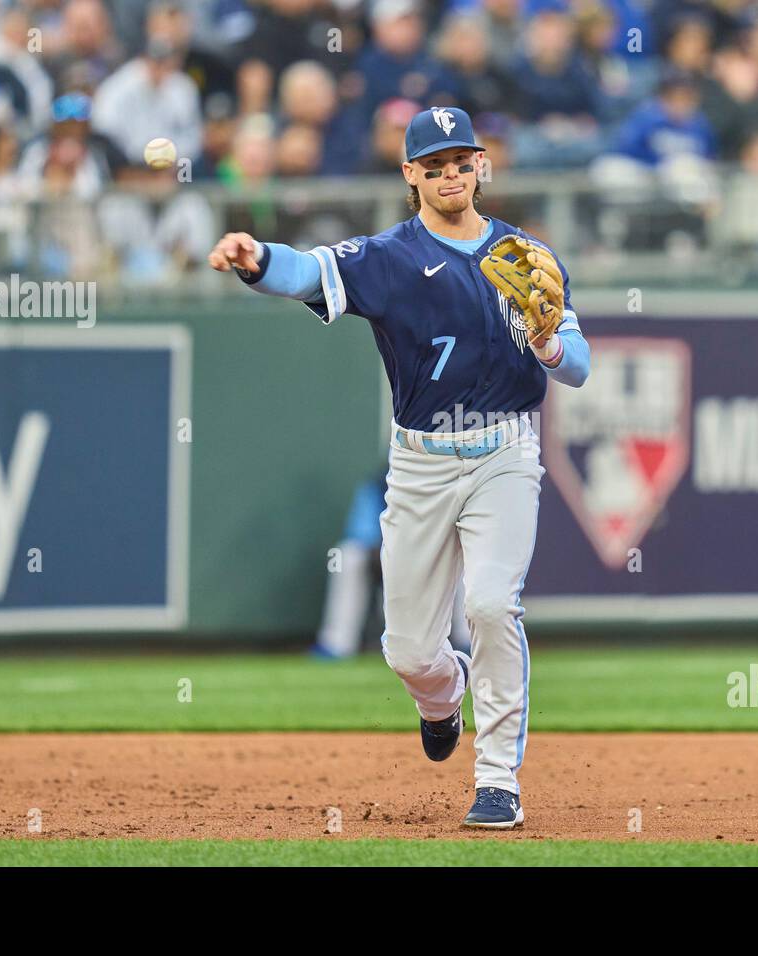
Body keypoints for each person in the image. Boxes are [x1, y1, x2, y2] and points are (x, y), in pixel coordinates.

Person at [207, 107, 591, 829]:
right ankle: (444, 699)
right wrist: (255, 257)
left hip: (506, 452)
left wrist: (546, 343)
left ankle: (499, 779)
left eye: (462, 160)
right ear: (410, 174)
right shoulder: (386, 256)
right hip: (419, 464)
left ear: (482, 165)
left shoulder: (526, 255)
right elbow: (306, 270)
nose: (451, 174)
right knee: (411, 652)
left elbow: (578, 367)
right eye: (434, 164)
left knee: (489, 605)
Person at [313, 472, 470, 660]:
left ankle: (466, 640)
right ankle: (336, 644)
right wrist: (391, 551)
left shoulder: (449, 482)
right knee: (346, 555)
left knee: (463, 551)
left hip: (436, 556)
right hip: (388, 558)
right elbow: (361, 534)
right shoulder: (378, 486)